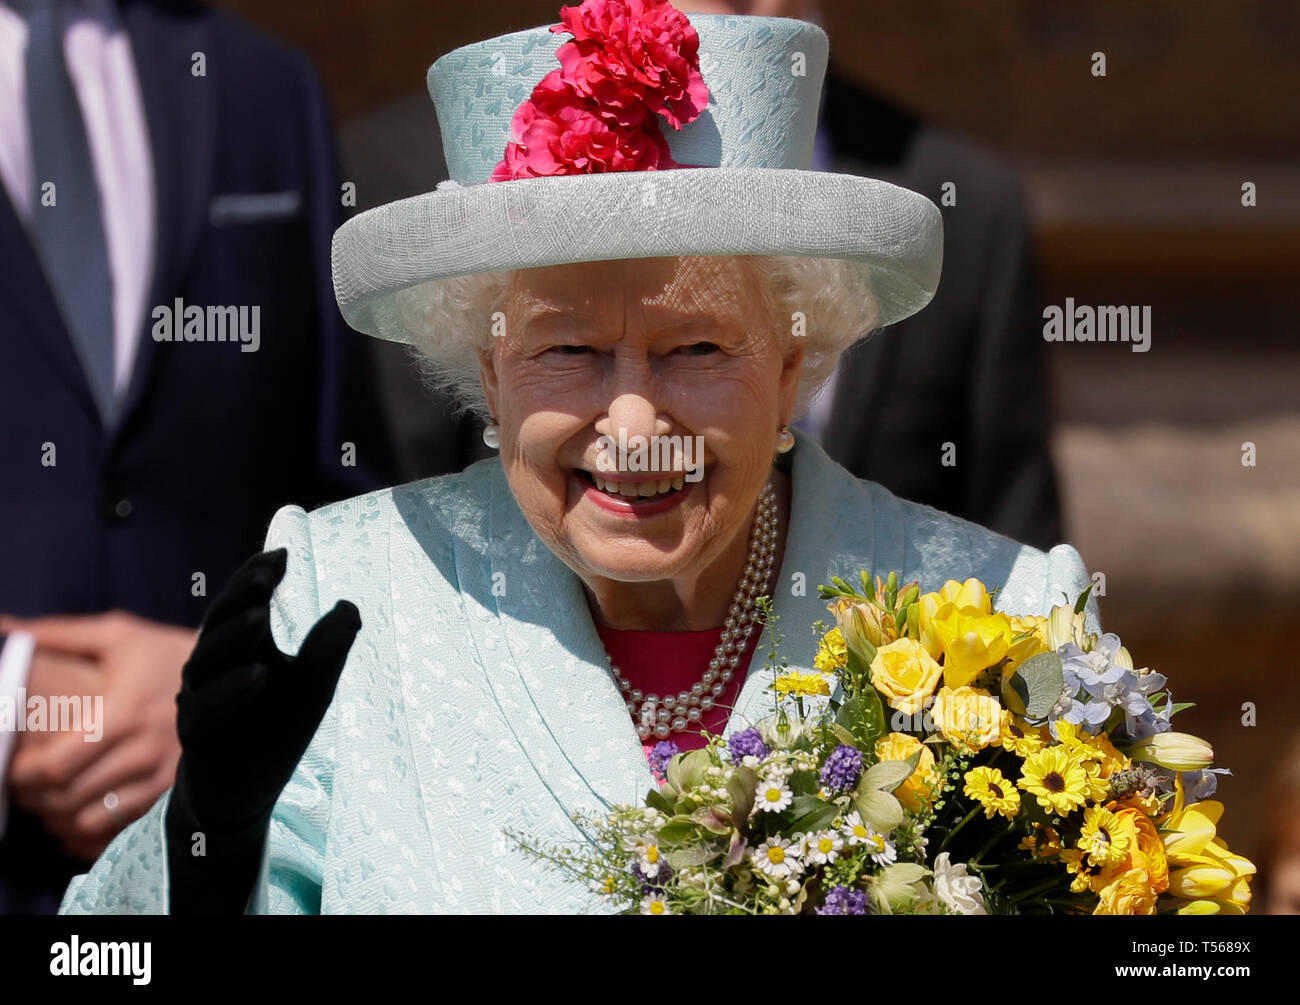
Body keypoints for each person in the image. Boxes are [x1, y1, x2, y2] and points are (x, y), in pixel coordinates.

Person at [59, 5, 1096, 915]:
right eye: (568, 350)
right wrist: (203, 838)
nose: (633, 419)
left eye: (695, 348)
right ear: (488, 368)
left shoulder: (1000, 623)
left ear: (793, 368)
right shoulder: (339, 604)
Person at [0, 0, 395, 913]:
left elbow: (348, 492)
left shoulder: (264, 86)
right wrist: (20, 696)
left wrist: (233, 705)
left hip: (225, 874)